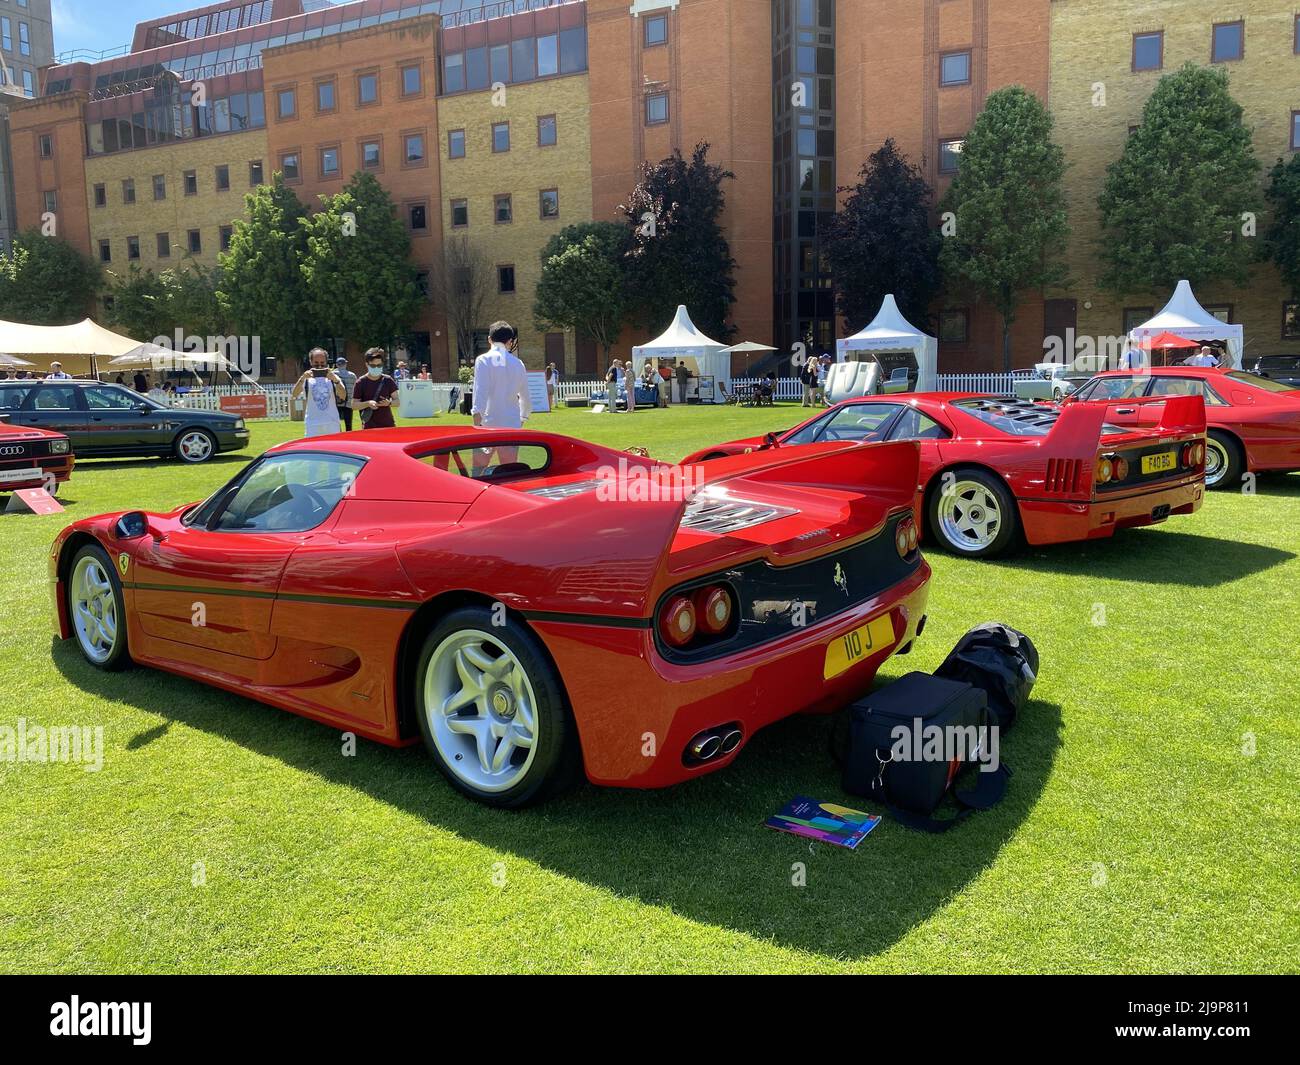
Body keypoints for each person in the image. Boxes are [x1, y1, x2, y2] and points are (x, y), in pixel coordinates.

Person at [292, 347, 347, 438]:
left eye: (322, 363)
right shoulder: (306, 378)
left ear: (326, 362)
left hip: (332, 423)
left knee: (333, 451)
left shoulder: (334, 377)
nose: (320, 366)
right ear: (311, 362)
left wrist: (336, 380)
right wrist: (302, 378)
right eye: (316, 364)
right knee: (313, 451)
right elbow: (294, 394)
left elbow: (343, 396)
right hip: (312, 425)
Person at [352, 347, 400, 428]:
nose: (377, 368)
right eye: (373, 366)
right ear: (367, 364)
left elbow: (397, 401)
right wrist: (368, 403)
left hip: (388, 425)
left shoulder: (388, 380)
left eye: (379, 365)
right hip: (369, 427)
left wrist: (389, 403)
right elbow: (354, 405)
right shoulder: (360, 382)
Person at [333, 357, 358, 430]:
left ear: (337, 365)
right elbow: (356, 388)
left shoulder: (333, 374)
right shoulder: (352, 375)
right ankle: (348, 438)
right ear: (345, 364)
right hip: (348, 403)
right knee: (348, 425)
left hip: (336, 403)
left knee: (336, 424)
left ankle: (338, 438)